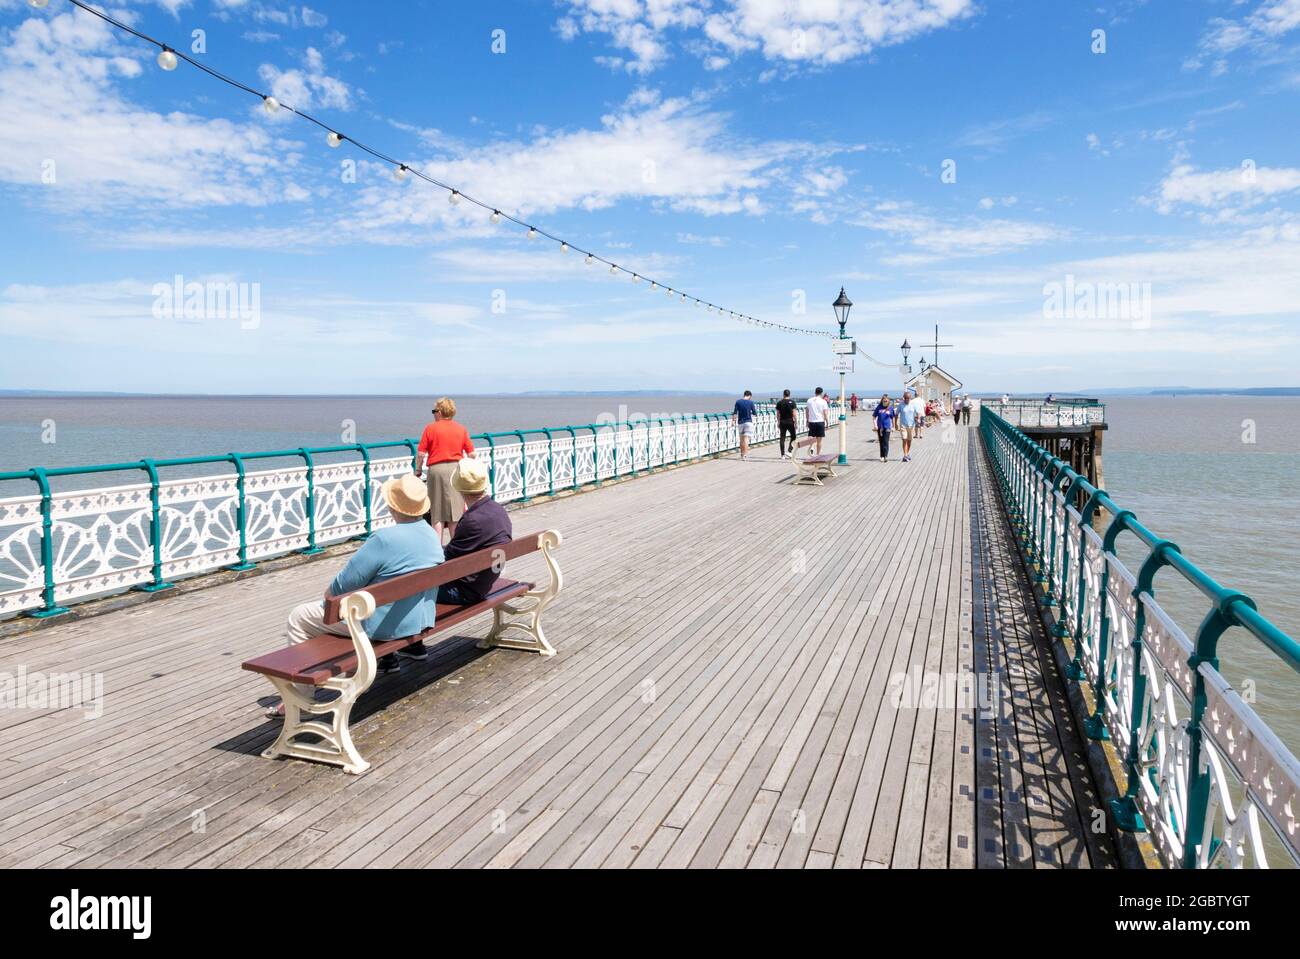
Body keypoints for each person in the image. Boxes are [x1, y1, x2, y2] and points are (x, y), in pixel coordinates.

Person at [269, 474, 444, 716]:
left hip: (382, 626)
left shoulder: (384, 539)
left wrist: (328, 599)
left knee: (299, 616)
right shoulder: (431, 535)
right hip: (418, 618)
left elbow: (341, 587)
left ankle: (301, 699)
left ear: (392, 505)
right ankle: (352, 680)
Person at [437, 458, 513, 608]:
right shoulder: (497, 509)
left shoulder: (472, 520)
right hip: (483, 582)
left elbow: (446, 559)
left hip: (465, 591)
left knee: (407, 586)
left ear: (458, 488)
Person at [415, 397, 474, 539]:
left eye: (434, 411)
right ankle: (456, 548)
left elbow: (421, 454)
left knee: (437, 513)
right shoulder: (460, 428)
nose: (434, 414)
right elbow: (472, 454)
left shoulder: (430, 428)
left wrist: (418, 470)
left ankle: (437, 551)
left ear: (440, 412)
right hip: (455, 469)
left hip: (436, 470)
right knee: (455, 512)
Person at [733, 389, 758, 461]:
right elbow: (754, 413)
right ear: (750, 396)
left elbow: (735, 413)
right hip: (748, 422)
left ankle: (741, 454)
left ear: (744, 395)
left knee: (741, 439)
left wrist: (733, 421)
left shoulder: (738, 402)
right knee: (746, 439)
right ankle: (745, 455)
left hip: (740, 422)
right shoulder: (751, 402)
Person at [805, 387, 830, 454]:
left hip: (811, 422)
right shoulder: (823, 401)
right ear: (821, 393)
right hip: (820, 422)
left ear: (815, 392)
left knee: (811, 437)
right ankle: (817, 455)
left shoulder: (809, 400)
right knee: (819, 441)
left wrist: (807, 421)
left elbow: (807, 412)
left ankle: (811, 447)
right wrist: (827, 423)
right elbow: (825, 413)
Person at [775, 389, 798, 459]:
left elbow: (778, 414)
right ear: (789, 394)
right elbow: (794, 413)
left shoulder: (779, 402)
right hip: (790, 421)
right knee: (793, 436)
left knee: (782, 438)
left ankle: (782, 455)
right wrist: (796, 422)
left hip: (782, 422)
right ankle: (789, 451)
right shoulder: (793, 402)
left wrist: (778, 422)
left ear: (783, 394)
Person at [897, 389, 917, 462]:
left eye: (908, 398)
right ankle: (905, 455)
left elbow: (917, 413)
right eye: (905, 398)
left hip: (911, 426)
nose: (907, 399)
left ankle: (907, 453)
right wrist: (896, 424)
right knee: (904, 439)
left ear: (910, 398)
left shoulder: (913, 404)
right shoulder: (901, 404)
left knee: (909, 440)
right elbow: (896, 414)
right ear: (903, 398)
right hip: (903, 425)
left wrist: (918, 418)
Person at [873, 394, 895, 462]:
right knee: (881, 442)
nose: (885, 402)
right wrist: (875, 425)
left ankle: (885, 456)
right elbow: (874, 417)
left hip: (887, 427)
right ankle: (881, 456)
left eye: (886, 401)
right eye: (884, 401)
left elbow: (892, 418)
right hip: (880, 427)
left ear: (888, 402)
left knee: (886, 442)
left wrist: (893, 426)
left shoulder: (890, 408)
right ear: (882, 401)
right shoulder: (879, 407)